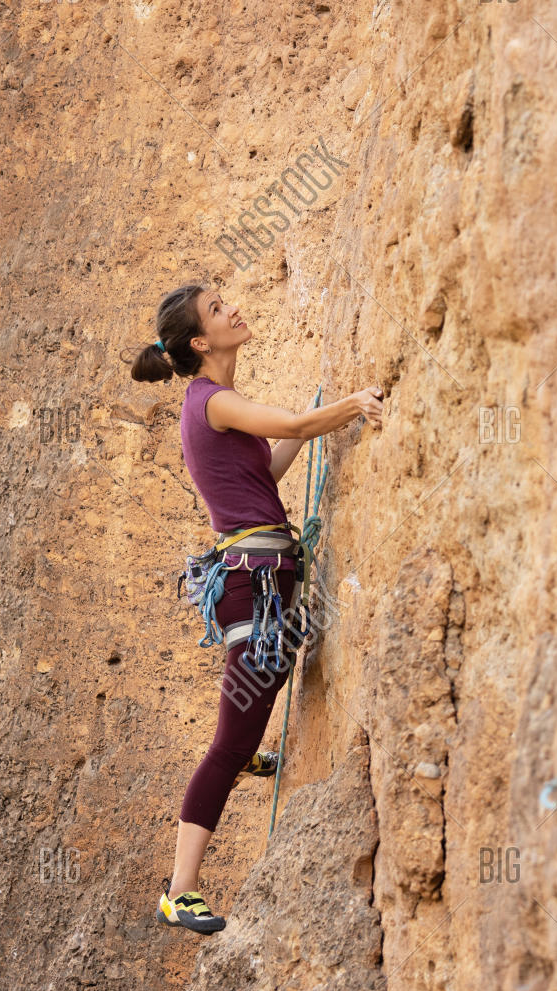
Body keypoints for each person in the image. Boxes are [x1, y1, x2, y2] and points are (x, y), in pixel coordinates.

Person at [127, 284, 383, 933]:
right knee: (227, 742)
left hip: (262, 575)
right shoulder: (214, 402)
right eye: (218, 310)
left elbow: (261, 473)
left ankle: (245, 755)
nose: (233, 308)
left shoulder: (206, 406)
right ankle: (179, 889)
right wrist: (351, 407)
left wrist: (315, 418)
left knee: (252, 704)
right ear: (199, 343)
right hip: (255, 581)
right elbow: (294, 427)